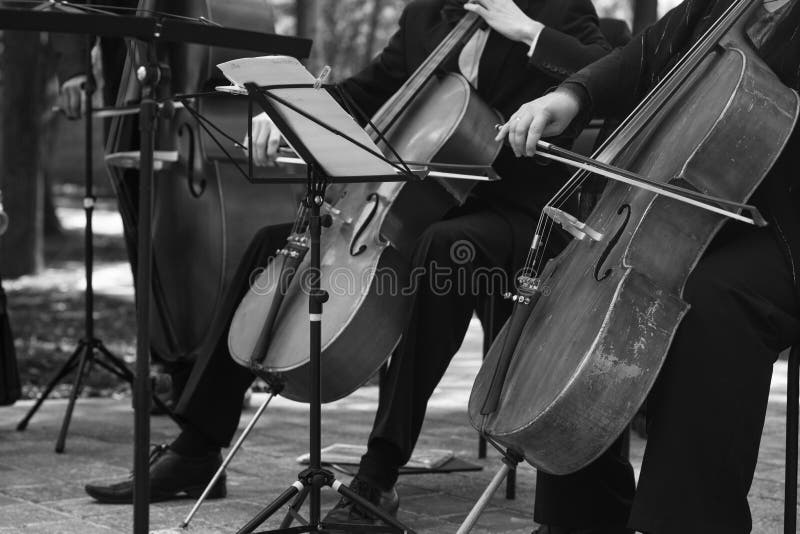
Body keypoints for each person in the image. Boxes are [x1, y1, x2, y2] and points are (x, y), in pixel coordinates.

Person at [84, 0, 612, 520]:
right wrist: (287, 112)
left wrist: (529, 32)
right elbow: (364, 93)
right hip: (417, 204)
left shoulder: (556, 7)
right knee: (275, 243)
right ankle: (196, 448)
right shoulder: (426, 16)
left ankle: (378, 475)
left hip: (517, 212)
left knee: (444, 251)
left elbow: (608, 71)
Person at [496, 0, 800, 532]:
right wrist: (569, 96)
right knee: (602, 292)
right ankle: (583, 517)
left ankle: (686, 521)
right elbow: (639, 58)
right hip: (697, 208)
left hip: (783, 230)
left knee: (709, 301)